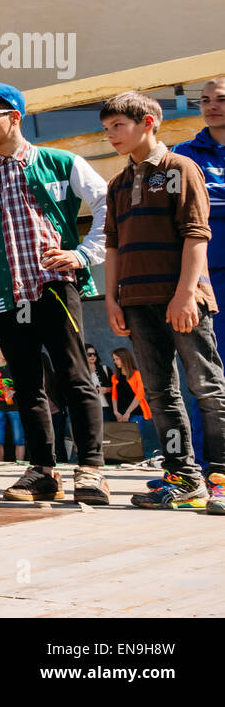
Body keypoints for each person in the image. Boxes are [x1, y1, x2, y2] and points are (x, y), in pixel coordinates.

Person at [0, 82, 110, 504]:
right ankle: (43, 471)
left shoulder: (62, 162)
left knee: (75, 377)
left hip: (55, 288)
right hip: (7, 295)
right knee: (24, 383)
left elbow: (106, 204)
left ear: (15, 117)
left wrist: (83, 254)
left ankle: (91, 469)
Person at [101, 90, 225, 511]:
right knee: (160, 394)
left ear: (148, 123)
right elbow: (113, 246)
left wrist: (186, 294)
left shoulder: (180, 167)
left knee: (207, 387)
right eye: (107, 128)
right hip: (136, 303)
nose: (111, 135)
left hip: (184, 301)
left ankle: (220, 476)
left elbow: (197, 234)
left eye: (118, 126)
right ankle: (183, 478)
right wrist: (112, 300)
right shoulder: (117, 184)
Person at [170, 76, 225, 473]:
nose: (211, 106)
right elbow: (180, 213)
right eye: (204, 100)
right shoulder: (184, 155)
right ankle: (212, 465)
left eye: (220, 99)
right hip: (205, 280)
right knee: (208, 372)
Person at [110, 348, 156, 459]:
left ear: (125, 359)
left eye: (117, 359)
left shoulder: (137, 375)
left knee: (134, 439)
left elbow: (139, 396)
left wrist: (128, 413)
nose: (115, 362)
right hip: (121, 414)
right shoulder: (115, 377)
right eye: (114, 359)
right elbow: (114, 396)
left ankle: (137, 460)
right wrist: (116, 412)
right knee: (123, 440)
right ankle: (125, 460)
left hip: (136, 413)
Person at [86, 343, 115, 421]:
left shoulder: (105, 369)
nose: (92, 356)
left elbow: (117, 388)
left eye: (94, 354)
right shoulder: (80, 373)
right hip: (89, 410)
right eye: (89, 354)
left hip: (106, 408)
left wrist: (106, 390)